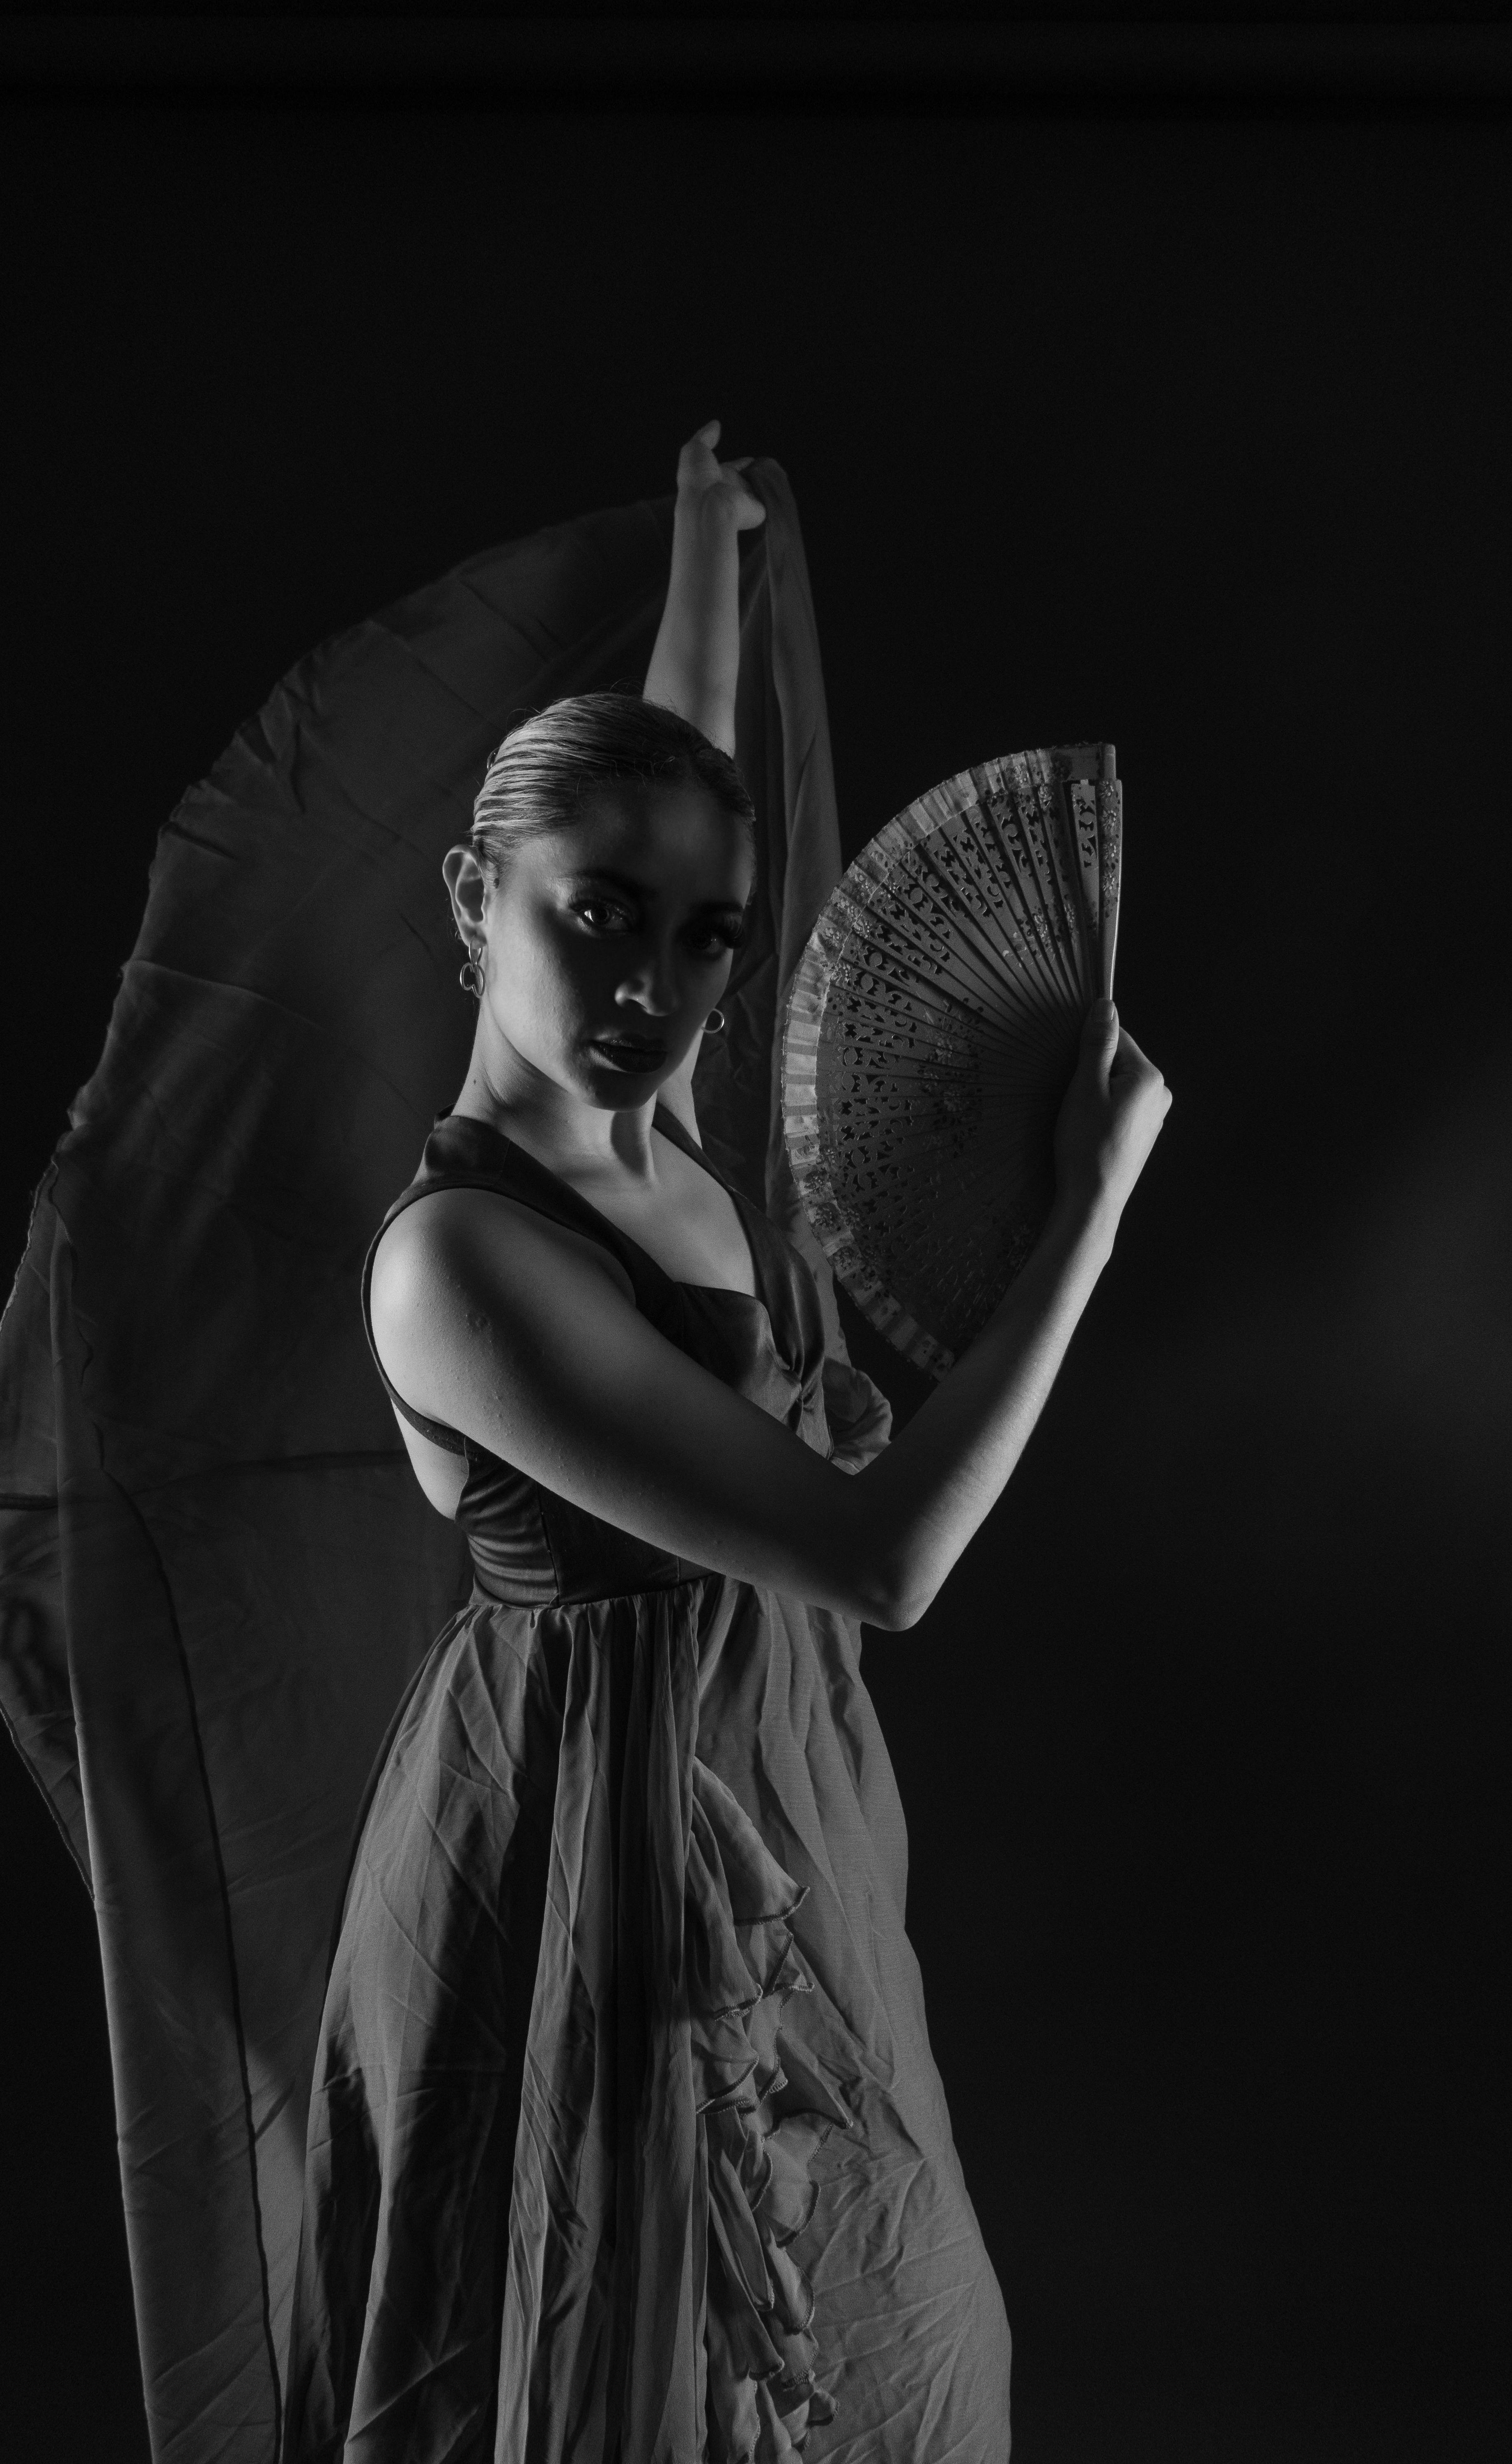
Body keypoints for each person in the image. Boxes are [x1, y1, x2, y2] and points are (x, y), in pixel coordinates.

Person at [280, 425, 1172, 2462]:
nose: (650, 991)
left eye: (703, 942)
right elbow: (882, 1561)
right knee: (631, 2337)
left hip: (760, 1774)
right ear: (470, 896)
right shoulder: (460, 1267)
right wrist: (1089, 1209)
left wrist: (705, 565)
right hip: (588, 1831)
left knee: (861, 2313)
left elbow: (661, 796)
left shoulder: (637, 1122)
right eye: (597, 920)